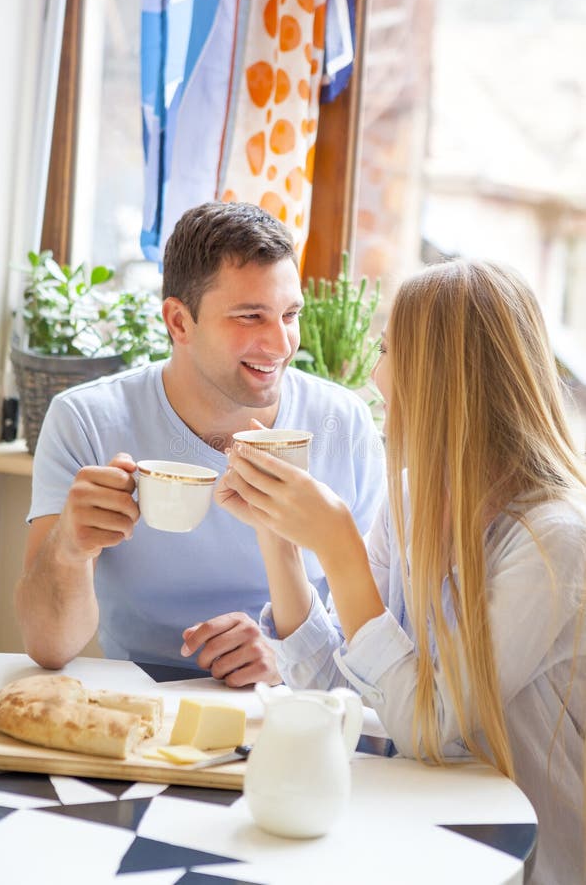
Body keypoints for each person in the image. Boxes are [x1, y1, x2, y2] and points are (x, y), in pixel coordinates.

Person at [218, 259, 586, 884]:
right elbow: (345, 691)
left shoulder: (555, 541)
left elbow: (429, 726)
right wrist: (276, 540)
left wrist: (340, 549)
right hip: (420, 829)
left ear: (442, 379)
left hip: (523, 861)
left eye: (389, 348)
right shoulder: (412, 496)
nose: (374, 372)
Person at [15, 201, 385, 686]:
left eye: (289, 314)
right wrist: (68, 547)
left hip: (294, 704)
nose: (280, 344)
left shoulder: (343, 421)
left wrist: (288, 653)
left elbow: (381, 627)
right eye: (251, 316)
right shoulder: (86, 420)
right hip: (140, 698)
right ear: (178, 322)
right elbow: (50, 647)